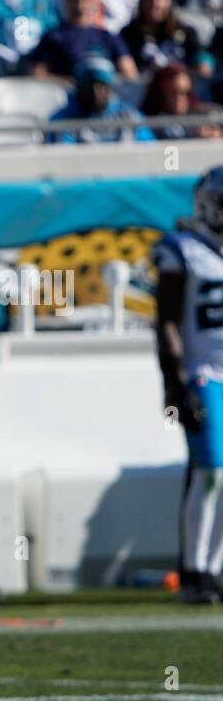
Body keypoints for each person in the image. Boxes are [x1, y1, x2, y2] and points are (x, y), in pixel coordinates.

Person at [154, 166, 223, 603]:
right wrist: (176, 381)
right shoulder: (183, 249)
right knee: (212, 473)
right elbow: (167, 320)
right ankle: (194, 570)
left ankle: (215, 570)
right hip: (203, 374)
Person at [27, 0, 138, 80]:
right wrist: (76, 82)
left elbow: (130, 73)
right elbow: (37, 74)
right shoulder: (53, 37)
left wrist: (102, 81)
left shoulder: (108, 37)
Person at [46, 54, 155, 143]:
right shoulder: (62, 120)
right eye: (89, 86)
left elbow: (147, 149)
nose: (95, 92)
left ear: (110, 88)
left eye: (102, 85)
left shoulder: (129, 115)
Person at [119, 0, 214, 76]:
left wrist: (203, 62)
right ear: (142, 0)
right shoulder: (129, 34)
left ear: (170, 1)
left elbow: (201, 54)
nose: (155, 3)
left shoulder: (186, 32)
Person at [141, 62, 222, 139]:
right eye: (172, 93)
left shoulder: (205, 116)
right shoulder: (146, 121)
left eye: (184, 93)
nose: (178, 99)